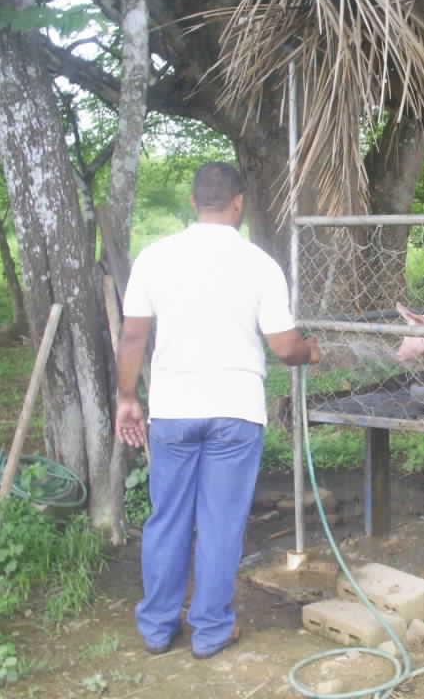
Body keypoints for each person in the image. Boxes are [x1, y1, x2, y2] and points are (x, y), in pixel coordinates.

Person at [115, 162, 319, 659]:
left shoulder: (155, 258)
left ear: (194, 202)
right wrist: (310, 350)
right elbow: (284, 346)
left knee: (167, 519)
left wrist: (127, 398)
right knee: (221, 522)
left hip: (174, 410)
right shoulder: (259, 264)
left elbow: (133, 336)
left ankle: (158, 627)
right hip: (236, 411)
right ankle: (209, 630)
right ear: (238, 202)